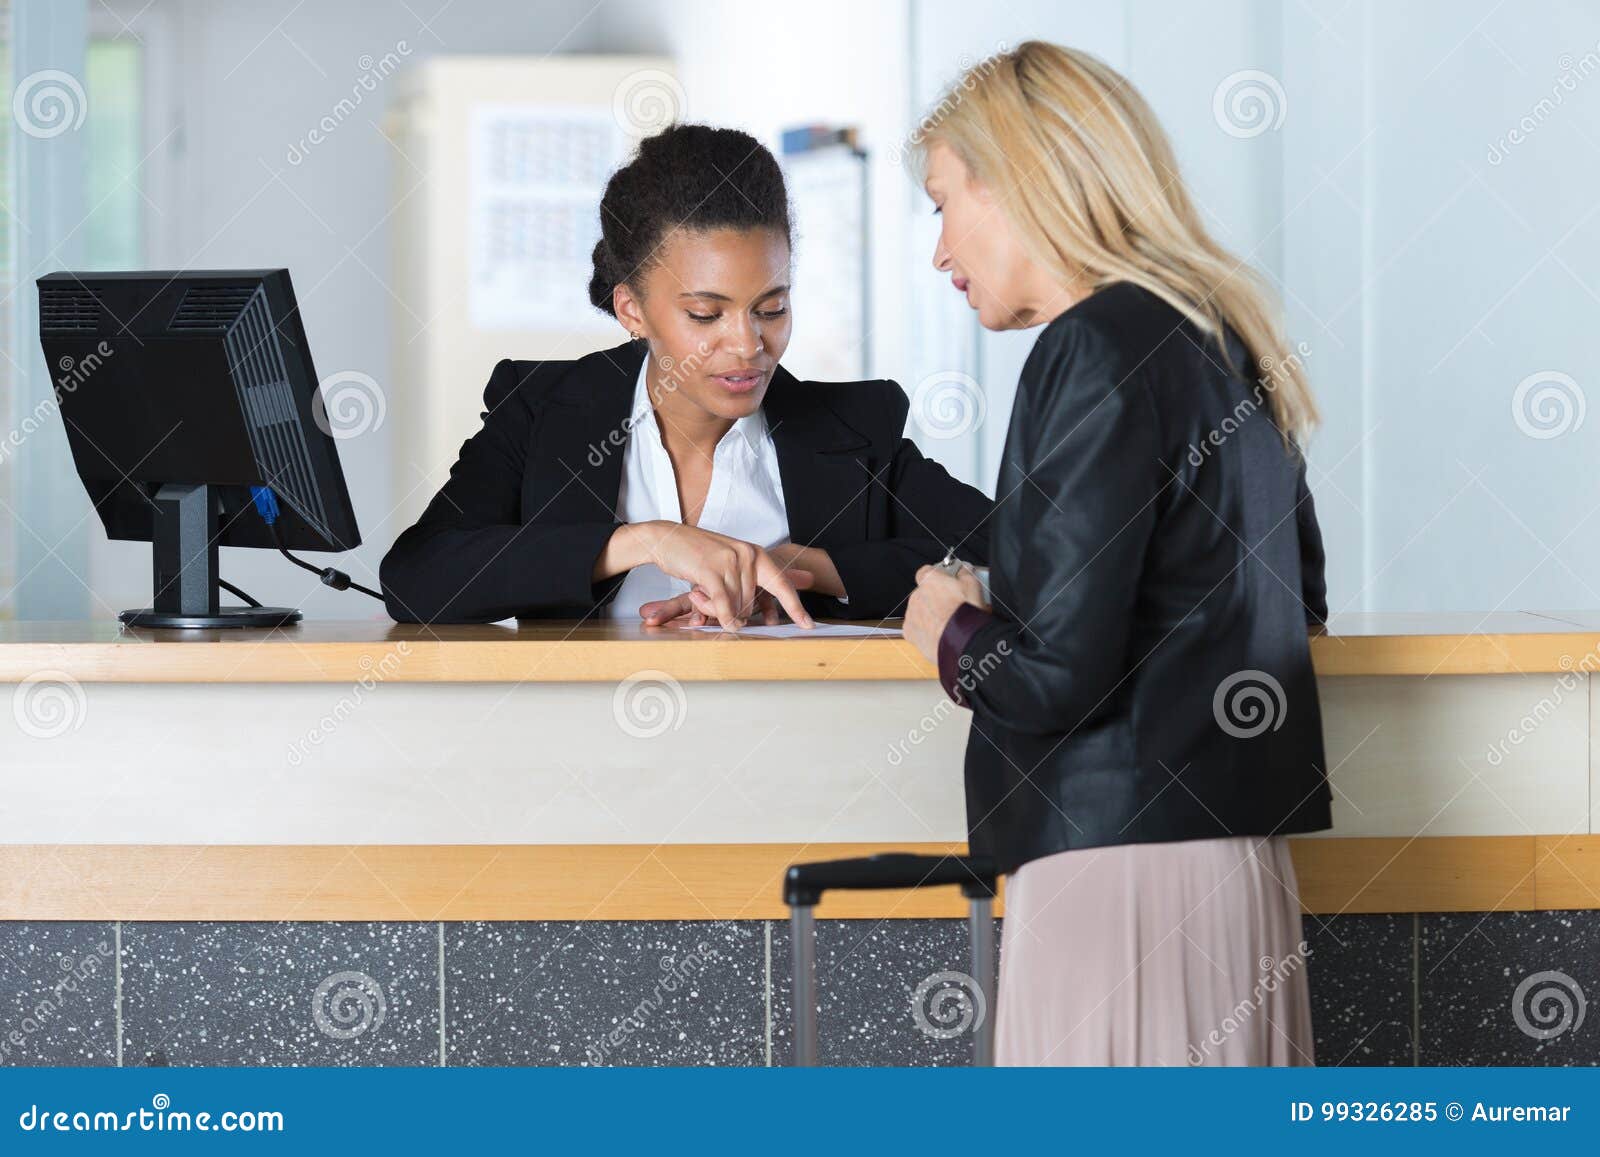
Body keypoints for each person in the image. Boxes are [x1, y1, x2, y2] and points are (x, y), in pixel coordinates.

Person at [901, 41, 1332, 1066]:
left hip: (1116, 873)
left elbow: (1056, 674)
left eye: (940, 203)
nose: (939, 251)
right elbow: (1294, 595)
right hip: (1234, 871)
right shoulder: (1217, 336)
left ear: (1015, 184)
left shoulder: (1088, 347)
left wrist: (950, 630)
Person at [381, 124, 990, 628]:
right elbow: (416, 578)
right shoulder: (542, 409)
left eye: (772, 308)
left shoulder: (852, 429)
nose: (749, 344)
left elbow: (1017, 557)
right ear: (632, 310)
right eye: (706, 314)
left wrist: (802, 567)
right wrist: (645, 541)